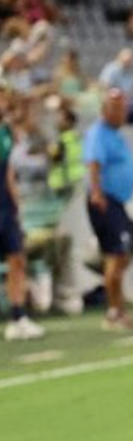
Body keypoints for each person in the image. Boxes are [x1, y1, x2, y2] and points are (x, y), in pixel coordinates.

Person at [84, 90, 133, 331]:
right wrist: (97, 192)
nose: (123, 114)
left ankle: (118, 307)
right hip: (105, 201)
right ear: (107, 110)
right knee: (115, 256)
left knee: (121, 256)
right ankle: (114, 311)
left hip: (116, 202)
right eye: (119, 109)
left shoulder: (115, 134)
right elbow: (94, 162)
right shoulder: (98, 134)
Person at [1, 107, 45, 341]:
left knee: (17, 258)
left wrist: (16, 202)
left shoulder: (6, 131)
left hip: (5, 206)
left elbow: (8, 170)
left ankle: (18, 317)